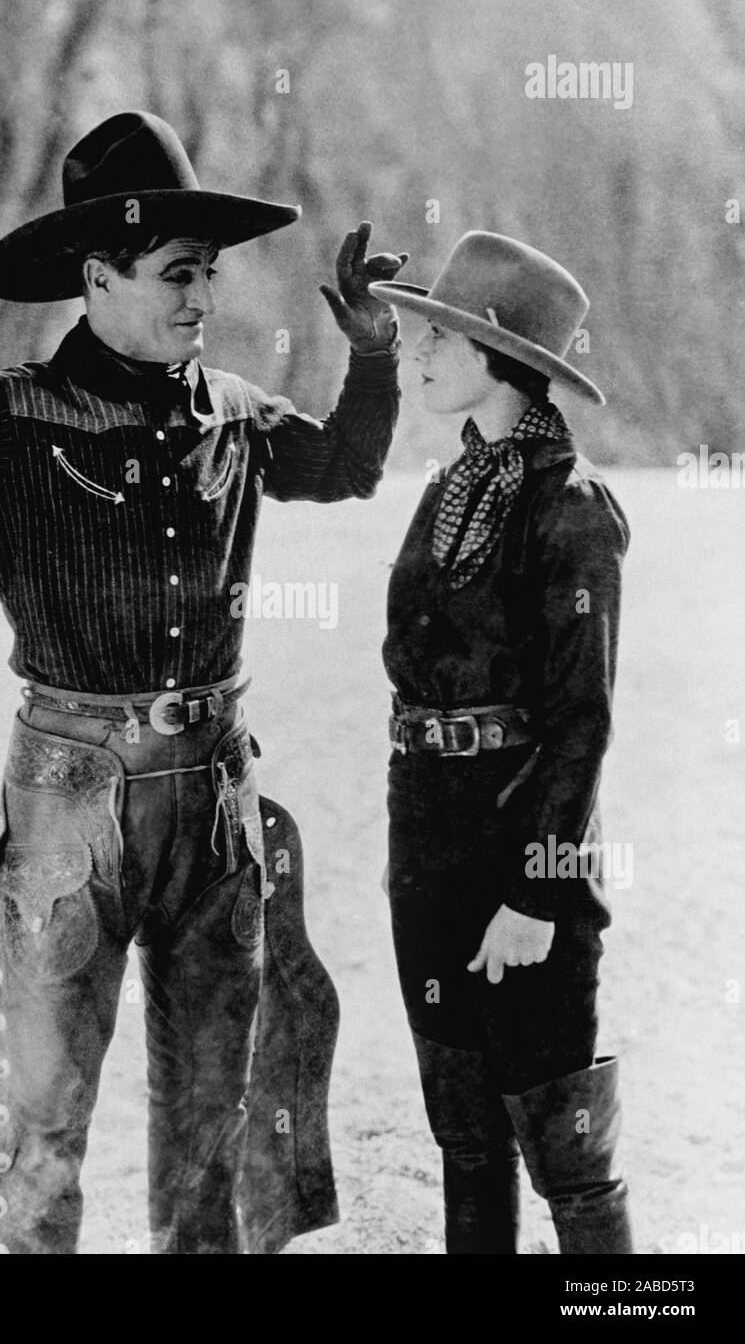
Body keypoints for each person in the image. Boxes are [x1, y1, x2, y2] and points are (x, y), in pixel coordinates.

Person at [0, 110, 406, 1254]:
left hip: (217, 802)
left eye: (208, 276)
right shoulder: (7, 418)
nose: (203, 300)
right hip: (68, 802)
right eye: (178, 276)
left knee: (213, 1129)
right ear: (98, 278)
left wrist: (375, 353)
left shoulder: (231, 413)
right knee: (33, 1137)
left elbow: (343, 469)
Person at [369, 231, 633, 1254]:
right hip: (427, 837)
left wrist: (536, 888)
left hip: (524, 846)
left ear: (497, 353)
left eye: (438, 338)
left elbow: (581, 721)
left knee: (565, 1144)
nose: (418, 353)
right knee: (465, 1133)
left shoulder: (573, 512)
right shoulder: (448, 491)